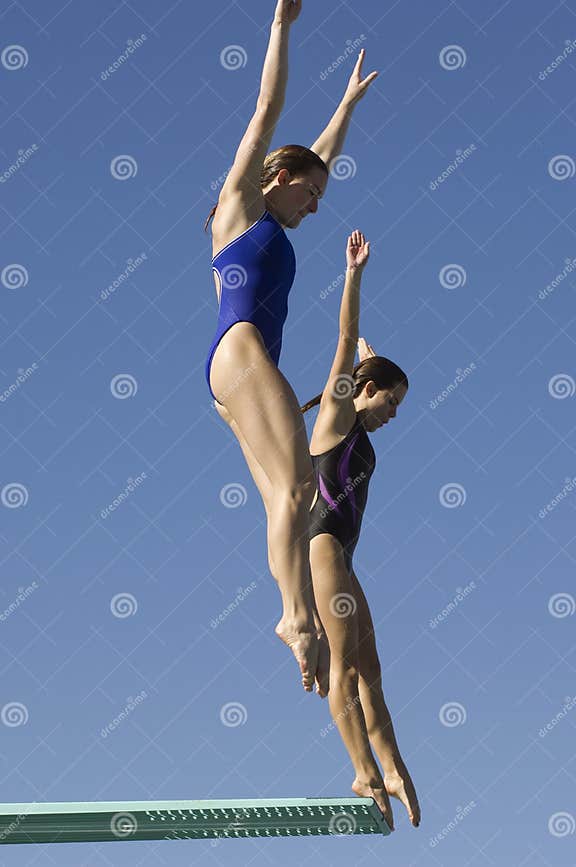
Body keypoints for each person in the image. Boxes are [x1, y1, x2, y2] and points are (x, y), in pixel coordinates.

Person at [206, 0, 379, 697]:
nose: (315, 207)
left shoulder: (284, 208)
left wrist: (345, 105)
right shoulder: (239, 207)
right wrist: (282, 27)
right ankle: (295, 617)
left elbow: (321, 155)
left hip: (236, 372)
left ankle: (294, 617)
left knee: (292, 496)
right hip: (241, 350)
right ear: (275, 180)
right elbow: (267, 110)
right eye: (309, 194)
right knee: (301, 484)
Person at [300, 230, 420, 831]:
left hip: (345, 556)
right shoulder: (338, 414)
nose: (392, 416)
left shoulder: (361, 427)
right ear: (364, 391)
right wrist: (354, 276)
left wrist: (375, 352)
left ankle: (392, 763)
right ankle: (362, 770)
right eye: (391, 404)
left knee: (370, 666)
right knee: (342, 670)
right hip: (323, 548)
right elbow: (348, 342)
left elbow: (365, 351)